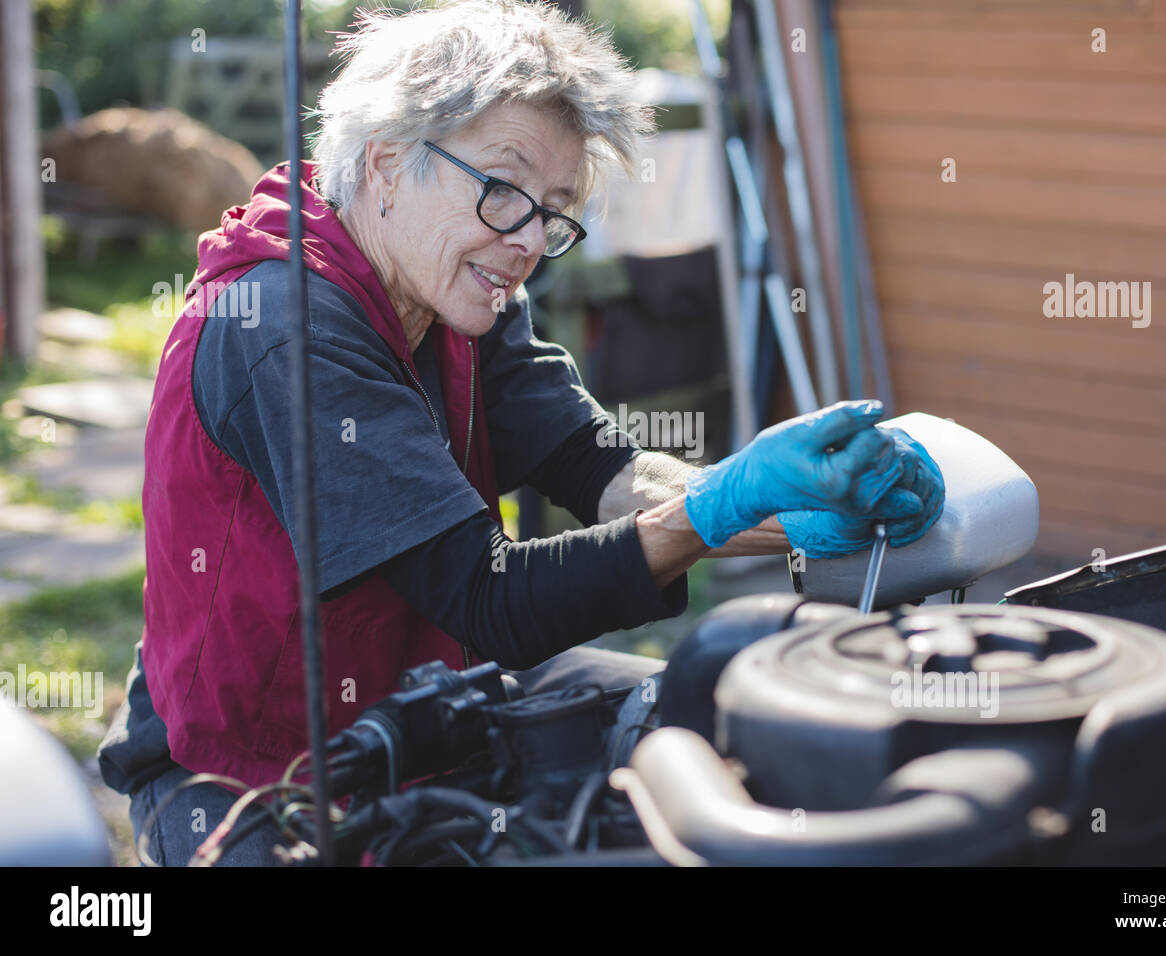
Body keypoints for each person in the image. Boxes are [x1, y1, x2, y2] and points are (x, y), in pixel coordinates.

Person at [97, 0, 943, 866]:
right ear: (388, 163)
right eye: (503, 190)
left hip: (431, 708)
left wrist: (797, 507)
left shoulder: (463, 277)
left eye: (555, 211)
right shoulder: (283, 326)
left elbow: (590, 463)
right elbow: (487, 598)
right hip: (253, 777)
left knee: (739, 720)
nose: (530, 240)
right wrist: (721, 507)